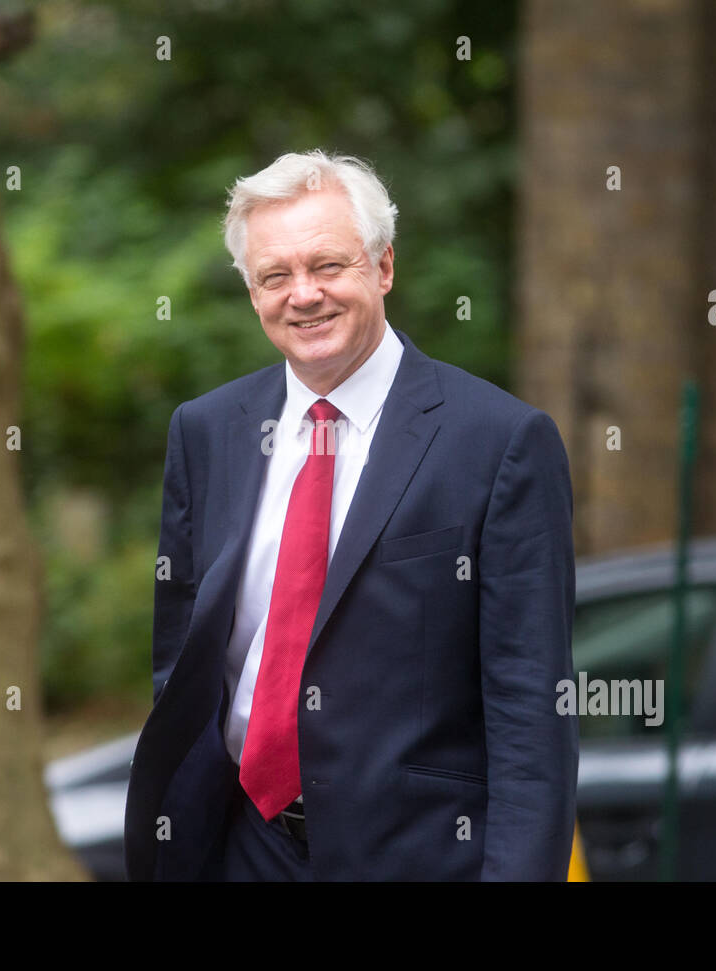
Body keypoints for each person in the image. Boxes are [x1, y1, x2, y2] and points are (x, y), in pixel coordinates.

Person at [123, 149, 578, 880]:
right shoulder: (207, 431)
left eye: (328, 266)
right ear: (252, 292)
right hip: (241, 848)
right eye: (276, 276)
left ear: (383, 267)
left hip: (420, 858)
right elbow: (182, 662)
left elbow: (532, 710)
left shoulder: (498, 443)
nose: (303, 294)